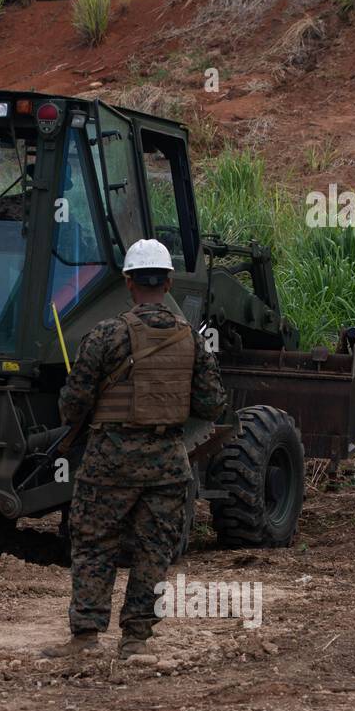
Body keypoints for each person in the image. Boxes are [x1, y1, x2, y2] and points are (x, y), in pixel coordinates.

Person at [42, 238, 226, 660]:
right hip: (167, 464)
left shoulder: (105, 335)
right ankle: (137, 639)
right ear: (168, 282)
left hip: (109, 463)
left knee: (93, 543)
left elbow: (73, 405)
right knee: (154, 549)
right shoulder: (193, 341)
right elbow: (214, 404)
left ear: (128, 282)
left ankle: (86, 637)